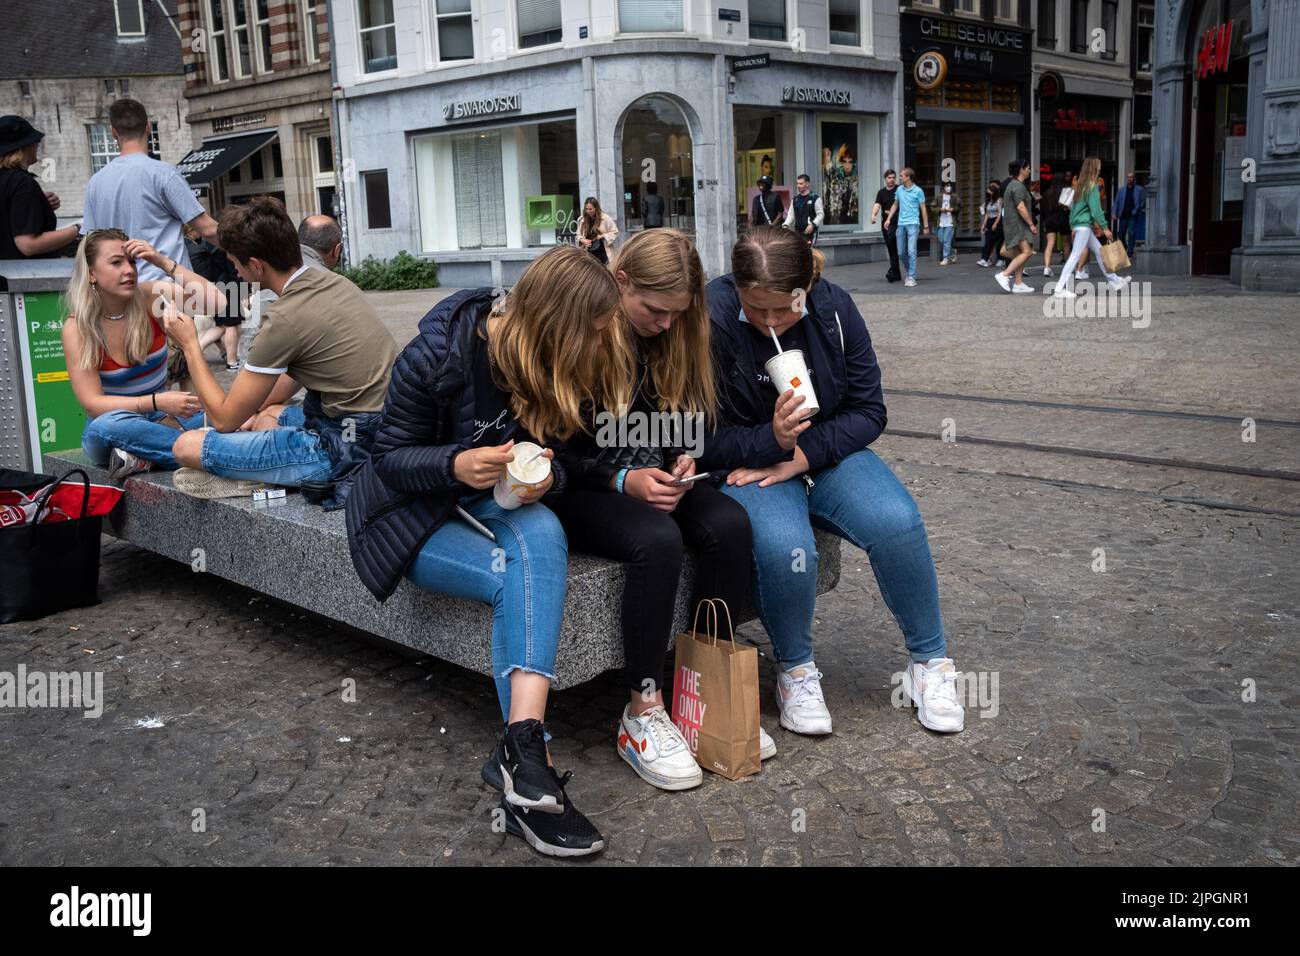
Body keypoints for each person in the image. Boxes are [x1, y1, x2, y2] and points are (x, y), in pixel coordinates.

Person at [346, 245, 620, 857]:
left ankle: (522, 753)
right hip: (408, 515)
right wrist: (453, 462)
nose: (602, 347)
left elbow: (573, 458)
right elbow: (386, 460)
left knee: (545, 527)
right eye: (594, 334)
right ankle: (534, 764)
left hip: (488, 503)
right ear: (557, 326)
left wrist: (552, 478)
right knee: (513, 573)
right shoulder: (438, 355)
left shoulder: (553, 364)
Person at [702, 226, 965, 736]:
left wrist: (799, 455)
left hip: (820, 453)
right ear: (737, 289)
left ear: (808, 287)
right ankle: (796, 669)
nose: (772, 322)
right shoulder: (709, 318)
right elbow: (694, 436)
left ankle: (929, 664)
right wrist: (769, 440)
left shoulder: (834, 309)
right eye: (758, 309)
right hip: (750, 461)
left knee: (897, 521)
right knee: (785, 546)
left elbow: (870, 410)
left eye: (785, 309)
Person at [546, 228, 770, 792]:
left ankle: (699, 694)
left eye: (678, 313)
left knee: (729, 524)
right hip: (579, 487)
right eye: (654, 310)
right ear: (620, 282)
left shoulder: (678, 331)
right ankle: (642, 711)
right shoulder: (587, 330)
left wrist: (680, 454)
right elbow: (559, 446)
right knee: (658, 540)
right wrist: (623, 478)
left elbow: (682, 419)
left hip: (648, 475)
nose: (667, 324)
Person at [161, 197, 399, 503]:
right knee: (268, 414)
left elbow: (223, 419)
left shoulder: (285, 315)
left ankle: (262, 477)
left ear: (256, 266)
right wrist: (248, 411)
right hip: (378, 430)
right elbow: (290, 381)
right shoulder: (334, 283)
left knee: (186, 446)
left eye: (235, 263)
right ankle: (265, 471)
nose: (234, 270)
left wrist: (190, 345)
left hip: (344, 452)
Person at [61, 229, 227, 478]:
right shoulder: (77, 327)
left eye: (132, 261)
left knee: (228, 413)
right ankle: (211, 453)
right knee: (108, 425)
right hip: (115, 427)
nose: (128, 270)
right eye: (116, 262)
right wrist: (155, 402)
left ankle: (146, 457)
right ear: (91, 273)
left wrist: (161, 261)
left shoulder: (149, 296)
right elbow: (93, 404)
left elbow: (220, 303)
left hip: (163, 418)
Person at [83, 99, 220, 282]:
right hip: (167, 293)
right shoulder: (164, 174)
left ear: (113, 133)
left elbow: (90, 246)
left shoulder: (95, 183)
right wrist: (250, 253)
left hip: (122, 292)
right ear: (148, 127)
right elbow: (208, 229)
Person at [0, 116, 81, 259]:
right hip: (22, 276)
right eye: (34, 141)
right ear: (25, 147)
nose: (37, 144)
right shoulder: (22, 183)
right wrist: (78, 229)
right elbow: (28, 245)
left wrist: (40, 205)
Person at [1052, 156, 1131, 298]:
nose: (1100, 168)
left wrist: (1073, 226)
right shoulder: (1092, 186)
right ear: (1095, 168)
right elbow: (1096, 210)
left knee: (1100, 253)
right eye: (1099, 166)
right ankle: (1059, 288)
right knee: (1075, 256)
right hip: (1083, 226)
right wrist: (1105, 227)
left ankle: (1115, 281)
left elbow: (1074, 209)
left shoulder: (1080, 186)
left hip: (1079, 225)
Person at [185, 223, 242, 371]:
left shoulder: (203, 246)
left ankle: (222, 353)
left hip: (215, 288)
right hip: (227, 288)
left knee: (222, 325)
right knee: (230, 326)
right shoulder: (220, 247)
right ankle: (232, 362)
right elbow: (232, 271)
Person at [994, 159, 1038, 295]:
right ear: (1021, 169)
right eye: (1027, 168)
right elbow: (1021, 206)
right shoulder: (1018, 186)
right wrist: (1031, 224)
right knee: (1027, 252)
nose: (1029, 170)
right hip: (1018, 225)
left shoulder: (1012, 185)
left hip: (1014, 224)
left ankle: (1018, 284)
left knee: (1020, 253)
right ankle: (1004, 274)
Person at [886, 167, 929, 288]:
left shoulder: (918, 191)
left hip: (913, 224)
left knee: (911, 251)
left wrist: (925, 226)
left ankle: (912, 277)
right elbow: (895, 204)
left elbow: (923, 209)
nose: (899, 178)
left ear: (908, 177)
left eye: (901, 176)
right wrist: (888, 219)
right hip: (901, 224)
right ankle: (910, 272)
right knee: (901, 252)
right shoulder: (899, 190)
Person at [870, 169, 901, 283]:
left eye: (893, 177)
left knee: (899, 250)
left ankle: (894, 271)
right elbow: (877, 205)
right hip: (887, 225)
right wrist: (873, 215)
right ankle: (895, 272)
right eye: (889, 178)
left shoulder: (899, 190)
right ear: (885, 179)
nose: (892, 180)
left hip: (899, 224)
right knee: (891, 249)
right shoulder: (881, 192)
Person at [1041, 171, 1072, 278]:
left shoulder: (1047, 192)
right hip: (1063, 219)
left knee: (1050, 243)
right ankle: (1068, 268)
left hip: (1050, 220)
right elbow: (1069, 208)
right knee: (1066, 244)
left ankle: (1047, 268)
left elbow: (1043, 209)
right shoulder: (1067, 191)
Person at [783, 173, 824, 245]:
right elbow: (791, 215)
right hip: (798, 232)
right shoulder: (795, 199)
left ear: (807, 184)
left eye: (801, 184)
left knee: (808, 252)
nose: (798, 186)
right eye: (797, 183)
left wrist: (813, 225)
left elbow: (820, 214)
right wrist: (786, 224)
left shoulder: (815, 198)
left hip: (810, 233)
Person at [1111, 173, 1145, 257]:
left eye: (1131, 177)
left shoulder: (1139, 189)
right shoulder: (1121, 190)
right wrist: (1114, 214)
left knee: (1131, 234)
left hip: (1132, 216)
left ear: (1134, 179)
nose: (1129, 179)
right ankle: (1125, 247)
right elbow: (1116, 203)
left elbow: (1143, 200)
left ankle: (1130, 253)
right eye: (1128, 177)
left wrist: (1138, 209)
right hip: (1122, 215)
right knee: (1120, 235)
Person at [576, 196, 618, 264]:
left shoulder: (605, 218)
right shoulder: (582, 220)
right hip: (589, 253)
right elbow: (578, 235)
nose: (588, 211)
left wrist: (602, 236)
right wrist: (583, 240)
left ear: (596, 208)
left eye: (590, 209)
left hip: (604, 253)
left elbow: (615, 232)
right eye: (586, 209)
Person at [929, 182, 960, 265]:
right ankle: (953, 251)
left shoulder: (954, 196)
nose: (948, 188)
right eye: (947, 186)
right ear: (943, 187)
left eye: (950, 186)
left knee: (946, 240)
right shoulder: (939, 196)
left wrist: (953, 209)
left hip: (950, 221)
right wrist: (939, 209)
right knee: (941, 239)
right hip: (940, 221)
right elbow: (932, 206)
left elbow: (959, 206)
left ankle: (946, 258)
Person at [977, 181, 1002, 267]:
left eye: (990, 192)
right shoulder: (988, 201)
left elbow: (999, 213)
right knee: (988, 241)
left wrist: (995, 223)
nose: (988, 193)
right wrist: (984, 225)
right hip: (989, 221)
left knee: (998, 242)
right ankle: (984, 259)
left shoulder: (999, 200)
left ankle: (1000, 259)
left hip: (996, 221)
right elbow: (987, 214)